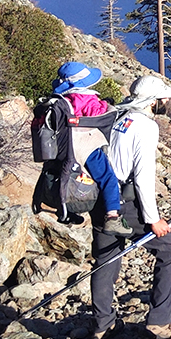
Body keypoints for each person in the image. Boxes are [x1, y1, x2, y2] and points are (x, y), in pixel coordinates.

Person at [90, 75, 171, 339]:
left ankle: (103, 325)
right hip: (125, 203)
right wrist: (153, 219)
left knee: (106, 258)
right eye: (163, 98)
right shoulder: (145, 126)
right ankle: (159, 322)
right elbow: (143, 177)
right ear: (152, 101)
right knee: (170, 250)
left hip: (101, 197)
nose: (166, 101)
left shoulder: (118, 115)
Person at [51, 61, 131, 237]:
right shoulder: (84, 98)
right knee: (108, 177)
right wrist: (107, 104)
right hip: (83, 144)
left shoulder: (62, 98)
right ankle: (112, 217)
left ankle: (67, 211)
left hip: (63, 146)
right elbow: (100, 113)